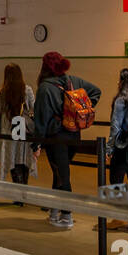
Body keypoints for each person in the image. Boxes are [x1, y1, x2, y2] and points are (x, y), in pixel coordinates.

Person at [32, 51, 101, 229]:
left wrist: (36, 144)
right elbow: (96, 91)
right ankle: (54, 211)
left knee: (63, 176)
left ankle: (67, 215)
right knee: (60, 174)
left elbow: (41, 119)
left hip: (56, 137)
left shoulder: (45, 88)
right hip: (74, 134)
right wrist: (82, 109)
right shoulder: (74, 81)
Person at [0, 62, 37, 204]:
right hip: (23, 129)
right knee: (23, 159)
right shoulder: (27, 89)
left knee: (12, 160)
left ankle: (18, 196)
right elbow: (34, 109)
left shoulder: (0, 92)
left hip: (8, 131)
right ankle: (24, 192)